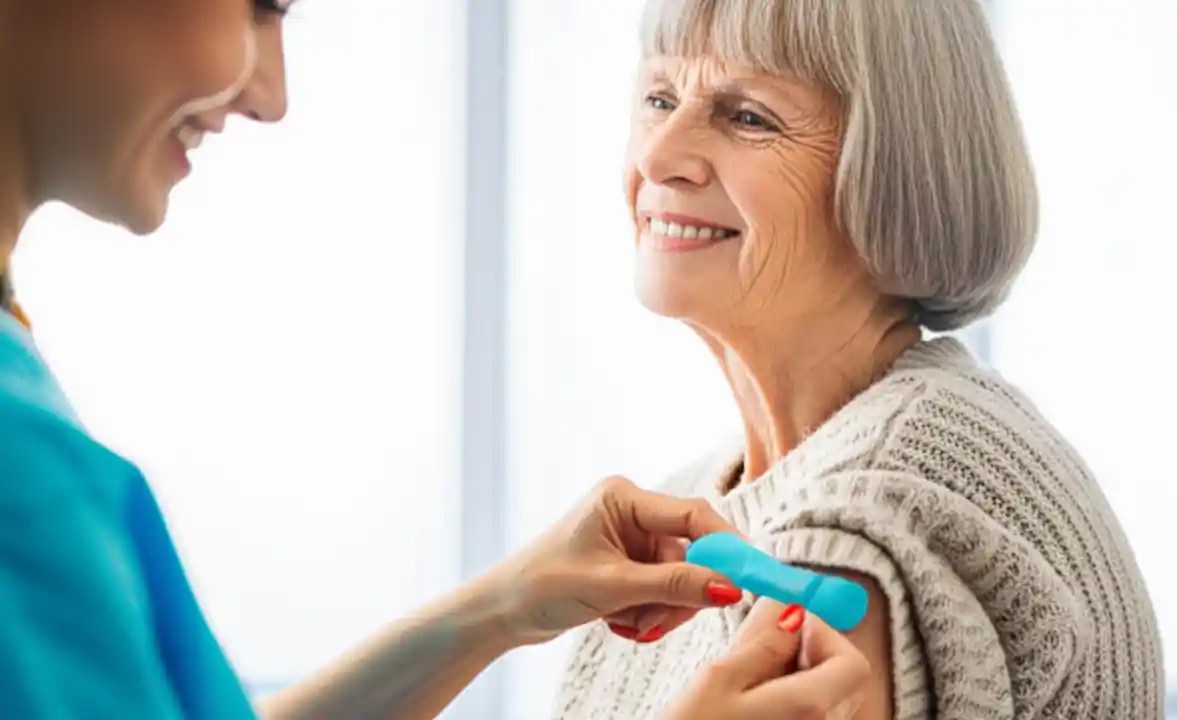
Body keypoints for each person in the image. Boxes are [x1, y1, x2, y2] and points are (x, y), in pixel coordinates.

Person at [0, 2, 872, 718]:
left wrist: (502, 609)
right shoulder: (23, 471)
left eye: (749, 115)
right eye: (260, 6)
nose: (271, 94)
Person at [553, 0, 1164, 719]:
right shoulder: (689, 505)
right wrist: (487, 615)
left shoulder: (876, 499)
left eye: (748, 116)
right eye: (660, 97)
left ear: (896, 169)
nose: (657, 156)